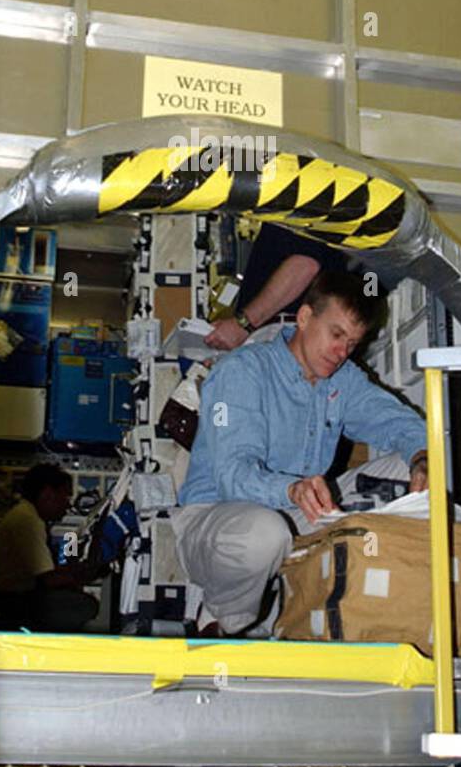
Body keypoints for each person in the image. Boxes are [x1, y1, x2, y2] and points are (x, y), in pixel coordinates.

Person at [171, 271, 427, 638]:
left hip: (300, 513)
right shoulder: (241, 372)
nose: (341, 353)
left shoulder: (343, 380)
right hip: (218, 521)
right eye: (336, 334)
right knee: (265, 534)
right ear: (304, 318)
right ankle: (227, 620)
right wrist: (291, 490)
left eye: (351, 344)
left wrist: (421, 457)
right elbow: (233, 476)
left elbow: (399, 422)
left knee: (416, 469)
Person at [205, 221, 367, 352]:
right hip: (283, 338)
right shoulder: (287, 208)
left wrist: (243, 324)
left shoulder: (299, 200)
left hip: (288, 335)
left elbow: (304, 267)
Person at [0, 465, 98, 632]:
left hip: (8, 597)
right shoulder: (28, 520)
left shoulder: (24, 514)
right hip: (10, 600)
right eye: (65, 496)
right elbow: (47, 579)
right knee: (85, 605)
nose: (67, 504)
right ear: (48, 495)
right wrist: (79, 575)